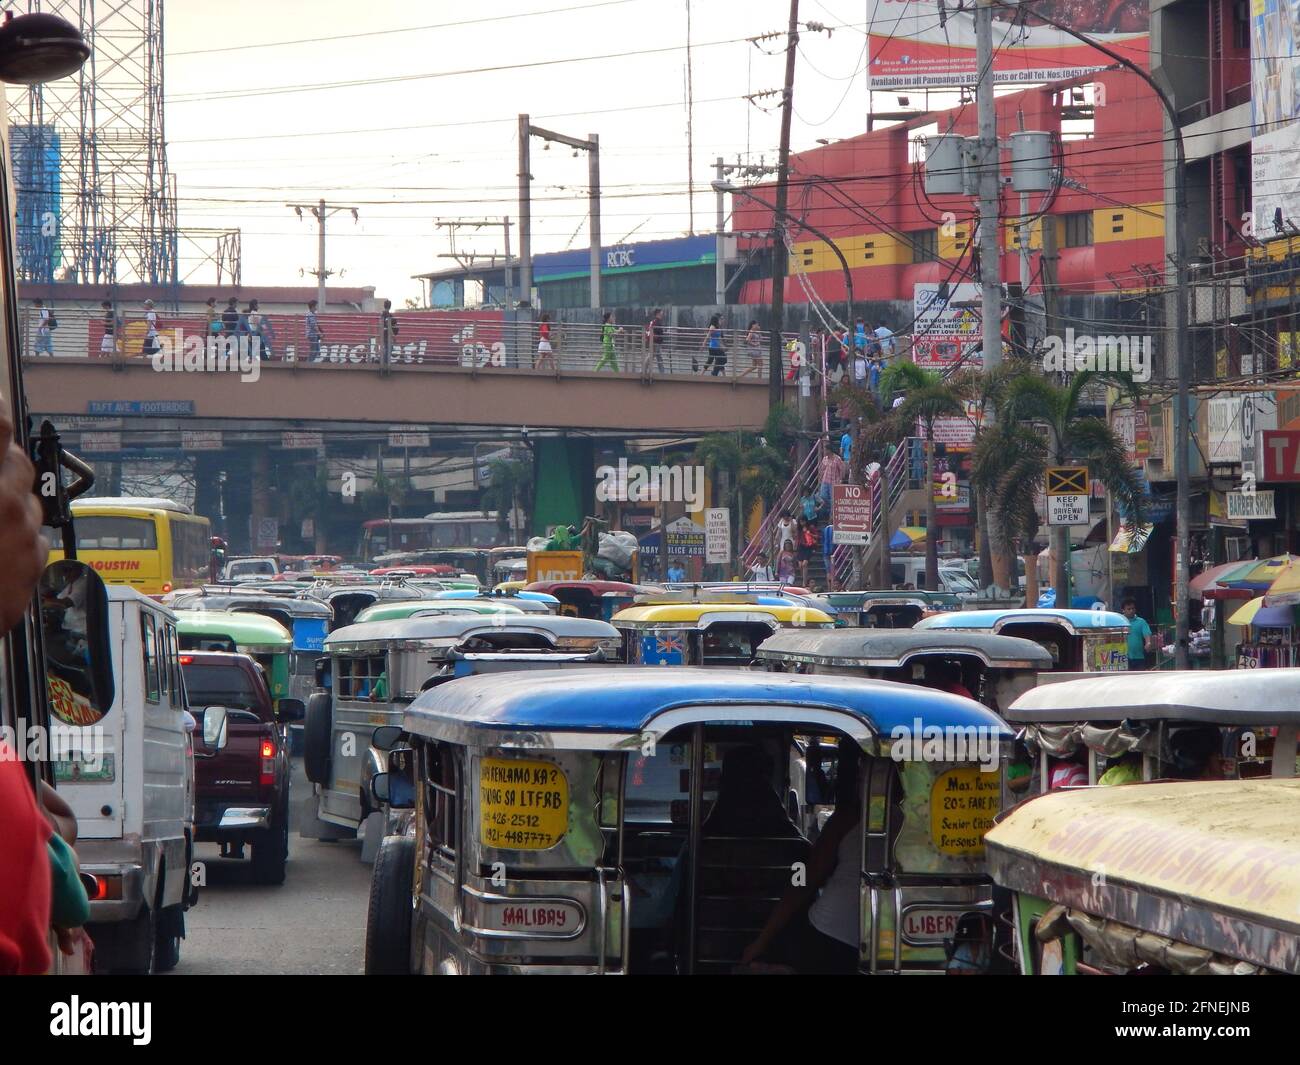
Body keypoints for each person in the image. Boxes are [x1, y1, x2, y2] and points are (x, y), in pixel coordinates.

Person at [741, 737, 862, 974]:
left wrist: (760, 943)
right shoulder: (922, 824)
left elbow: (802, 885)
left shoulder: (847, 819)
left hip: (831, 932)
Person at [1120, 597, 1154, 670]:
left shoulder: (1141, 622)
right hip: (1122, 657)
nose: (1131, 611)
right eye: (1129, 609)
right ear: (1123, 610)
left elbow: (1147, 633)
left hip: (1139, 657)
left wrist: (1148, 643)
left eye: (1133, 608)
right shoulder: (1119, 622)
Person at [818, 444, 846, 514]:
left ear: (829, 450)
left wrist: (841, 479)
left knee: (833, 499)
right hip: (825, 480)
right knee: (822, 496)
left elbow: (842, 469)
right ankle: (829, 506)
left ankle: (831, 515)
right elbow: (822, 469)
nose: (825, 451)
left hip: (834, 482)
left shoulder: (837, 459)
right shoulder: (824, 459)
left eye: (826, 450)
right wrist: (820, 478)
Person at [642, 308, 666, 376]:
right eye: (661, 313)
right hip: (656, 342)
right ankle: (643, 370)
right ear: (658, 314)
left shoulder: (655, 321)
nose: (662, 314)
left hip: (656, 342)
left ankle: (662, 373)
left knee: (658, 357)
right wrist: (658, 337)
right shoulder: (656, 322)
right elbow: (656, 331)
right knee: (651, 356)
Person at [796, 517, 816, 587]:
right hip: (801, 547)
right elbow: (798, 538)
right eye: (801, 522)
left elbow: (816, 536)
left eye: (803, 521)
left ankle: (804, 583)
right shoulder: (799, 529)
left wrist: (809, 533)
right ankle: (805, 579)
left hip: (809, 547)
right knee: (800, 565)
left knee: (804, 564)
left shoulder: (811, 528)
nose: (802, 523)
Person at [380, 298, 398, 365]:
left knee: (386, 347)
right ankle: (385, 362)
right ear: (390, 306)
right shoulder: (388, 315)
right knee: (389, 348)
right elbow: (389, 325)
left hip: (383, 333)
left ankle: (383, 361)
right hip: (387, 334)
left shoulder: (381, 314)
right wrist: (393, 335)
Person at [822, 519, 836, 592]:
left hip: (825, 551)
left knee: (828, 572)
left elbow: (823, 540)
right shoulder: (836, 529)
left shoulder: (825, 529)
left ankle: (829, 588)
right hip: (834, 551)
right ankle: (833, 587)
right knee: (833, 570)